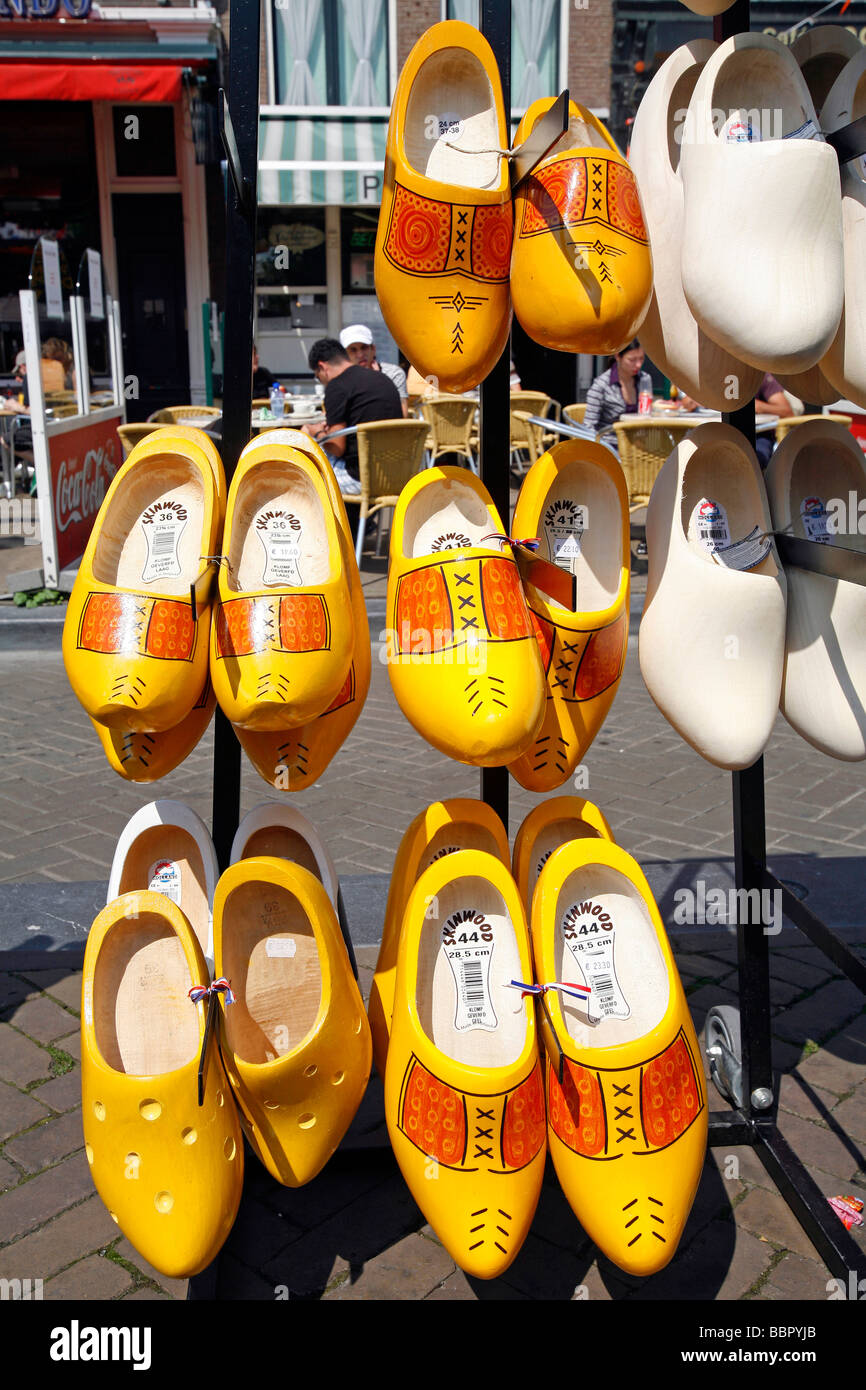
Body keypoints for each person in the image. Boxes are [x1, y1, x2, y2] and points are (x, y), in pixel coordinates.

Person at [304, 337, 402, 497]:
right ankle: (362, 522)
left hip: (361, 478)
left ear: (322, 367)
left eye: (317, 376)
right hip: (397, 474)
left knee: (306, 473)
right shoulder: (381, 378)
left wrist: (316, 432)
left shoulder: (337, 387)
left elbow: (337, 447)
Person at [583, 340, 653, 452]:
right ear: (618, 357)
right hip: (611, 447)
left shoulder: (644, 379)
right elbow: (588, 427)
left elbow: (647, 413)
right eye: (632, 360)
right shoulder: (601, 385)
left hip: (640, 446)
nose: (638, 365)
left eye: (641, 359)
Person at [339, 324, 408, 416]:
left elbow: (403, 414)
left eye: (364, 348)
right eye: (353, 350)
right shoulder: (341, 380)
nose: (360, 355)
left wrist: (378, 381)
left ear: (373, 349)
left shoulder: (394, 373)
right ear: (345, 355)